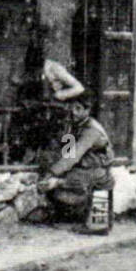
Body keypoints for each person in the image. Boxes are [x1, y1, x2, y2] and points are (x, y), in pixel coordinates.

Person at [38, 93, 114, 233]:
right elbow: (67, 153)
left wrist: (52, 175)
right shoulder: (73, 125)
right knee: (52, 169)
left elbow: (74, 156)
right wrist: (52, 168)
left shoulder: (92, 130)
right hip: (83, 167)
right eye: (72, 108)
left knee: (65, 181)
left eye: (78, 108)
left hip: (98, 171)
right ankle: (68, 217)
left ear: (87, 110)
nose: (73, 112)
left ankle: (98, 224)